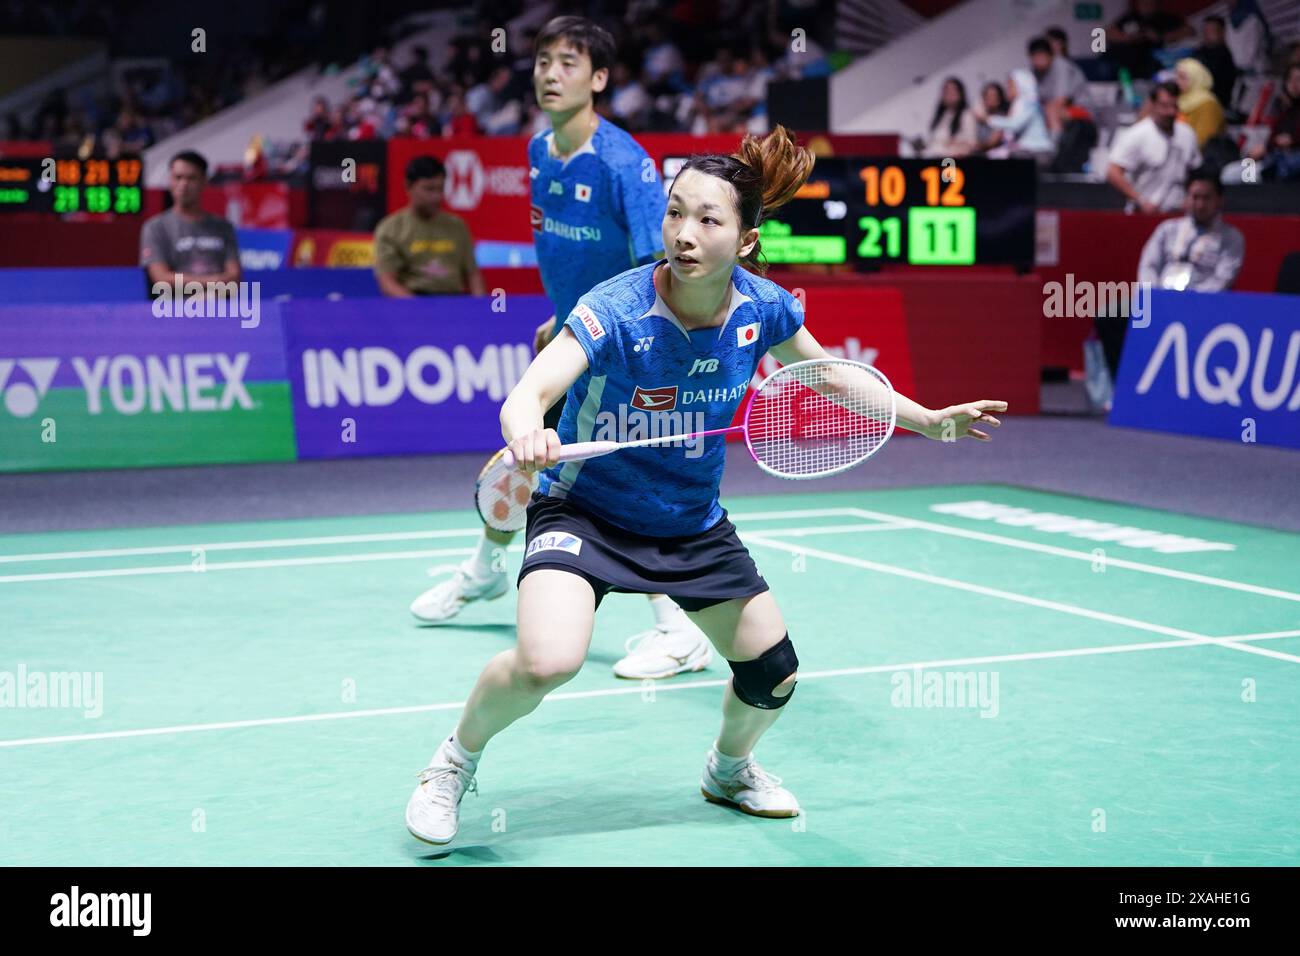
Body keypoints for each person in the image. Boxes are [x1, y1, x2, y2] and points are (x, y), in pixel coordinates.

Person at [403, 126, 1008, 845]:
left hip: (690, 521)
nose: (683, 234)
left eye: (708, 219)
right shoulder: (619, 306)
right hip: (586, 510)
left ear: (746, 241)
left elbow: (830, 377)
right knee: (547, 661)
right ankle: (450, 765)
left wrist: (926, 419)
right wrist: (527, 427)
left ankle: (728, 768)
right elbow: (531, 389)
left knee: (773, 674)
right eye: (675, 213)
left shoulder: (765, 308)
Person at [408, 16, 714, 682]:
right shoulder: (539, 152)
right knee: (523, 460)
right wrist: (562, 321)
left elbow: (653, 265)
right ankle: (489, 570)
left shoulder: (625, 165)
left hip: (624, 344)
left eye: (568, 63)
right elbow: (564, 253)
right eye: (543, 60)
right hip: (574, 336)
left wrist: (619, 339)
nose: (549, 73)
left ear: (599, 79)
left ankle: (680, 629)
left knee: (617, 482)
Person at [373, 156, 484, 297]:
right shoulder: (390, 229)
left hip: (454, 301)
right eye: (429, 189)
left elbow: (473, 275)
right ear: (408, 186)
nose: (437, 196)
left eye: (441, 189)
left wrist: (481, 308)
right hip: (412, 302)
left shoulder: (458, 226)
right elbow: (388, 283)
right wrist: (419, 310)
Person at [139, 150, 240, 291]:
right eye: (178, 177)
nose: (183, 184)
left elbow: (234, 277)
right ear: (170, 180)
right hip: (174, 308)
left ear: (204, 181)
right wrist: (212, 283)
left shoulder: (223, 227)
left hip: (220, 306)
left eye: (191, 178)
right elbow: (160, 277)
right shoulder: (155, 227)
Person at [1136, 166, 1245, 293]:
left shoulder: (1231, 237)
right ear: (1186, 198)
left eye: (1206, 198)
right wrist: (1155, 295)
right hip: (1159, 299)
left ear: (1219, 200)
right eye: (1195, 197)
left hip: (1202, 304)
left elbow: (1223, 278)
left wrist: (1189, 300)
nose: (1200, 205)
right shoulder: (1167, 229)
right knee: (1111, 311)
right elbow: (1148, 266)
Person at [1106, 82, 1202, 213]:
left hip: (1178, 214)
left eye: (1174, 106)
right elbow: (1113, 172)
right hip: (1144, 214)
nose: (1170, 112)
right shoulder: (1137, 134)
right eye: (1165, 106)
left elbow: (1196, 171)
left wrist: (1191, 200)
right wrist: (1140, 200)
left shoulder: (1187, 134)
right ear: (1153, 104)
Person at [1105, 0, 1194, 80]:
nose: (1146, 4)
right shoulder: (1131, 17)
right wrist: (1129, 38)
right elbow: (1108, 33)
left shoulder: (1166, 18)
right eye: (1143, 2)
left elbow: (1189, 31)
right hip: (1125, 57)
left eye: (1149, 2)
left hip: (1153, 58)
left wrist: (1160, 36)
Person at [979, 69, 1054, 162]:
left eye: (1011, 86)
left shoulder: (1031, 104)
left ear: (1021, 85)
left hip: (1038, 152)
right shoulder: (1016, 106)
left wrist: (987, 119)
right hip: (1023, 151)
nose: (1008, 89)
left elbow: (1014, 124)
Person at [916, 77, 978, 158]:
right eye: (946, 90)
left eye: (953, 90)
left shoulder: (966, 115)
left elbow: (972, 143)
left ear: (960, 94)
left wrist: (953, 143)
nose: (949, 94)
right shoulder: (941, 116)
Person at [1191, 16, 1239, 113]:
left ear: (1222, 33)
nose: (1206, 34)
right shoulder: (1199, 51)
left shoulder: (1224, 54)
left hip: (1216, 105)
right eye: (1205, 30)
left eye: (1211, 31)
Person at [1175, 57, 1225, 147]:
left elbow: (1205, 139)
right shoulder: (1180, 99)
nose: (1177, 82)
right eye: (1177, 77)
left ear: (1195, 78)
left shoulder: (1207, 104)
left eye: (1182, 77)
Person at [1225, 0, 1272, 76]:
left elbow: (1250, 53)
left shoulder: (1253, 20)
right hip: (1240, 72)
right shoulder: (1229, 21)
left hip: (1257, 71)